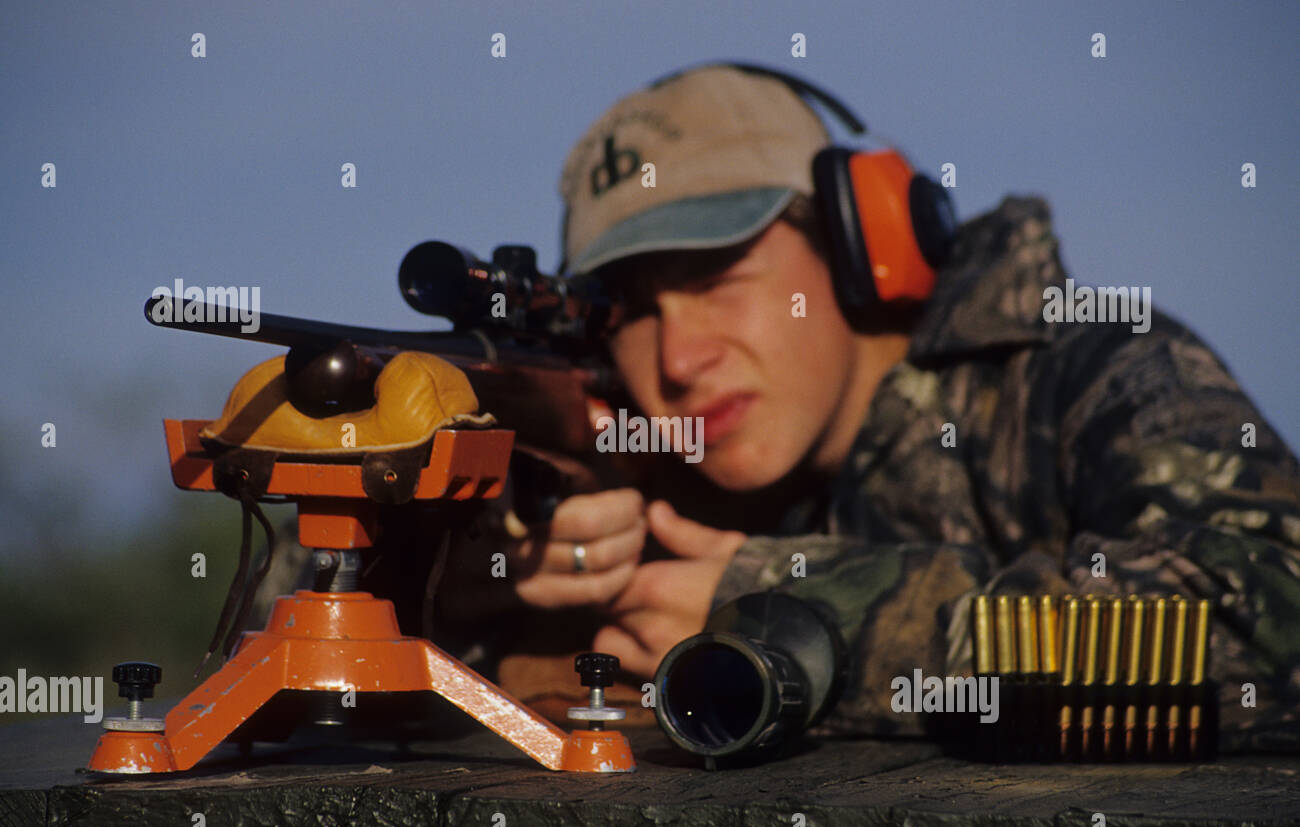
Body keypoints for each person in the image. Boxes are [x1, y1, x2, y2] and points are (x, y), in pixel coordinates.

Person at [444, 63, 1300, 751]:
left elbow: (1264, 620)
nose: (677, 358)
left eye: (716, 279)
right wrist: (468, 581)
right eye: (631, 312)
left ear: (864, 244)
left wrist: (788, 611)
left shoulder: (1095, 365)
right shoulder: (637, 454)